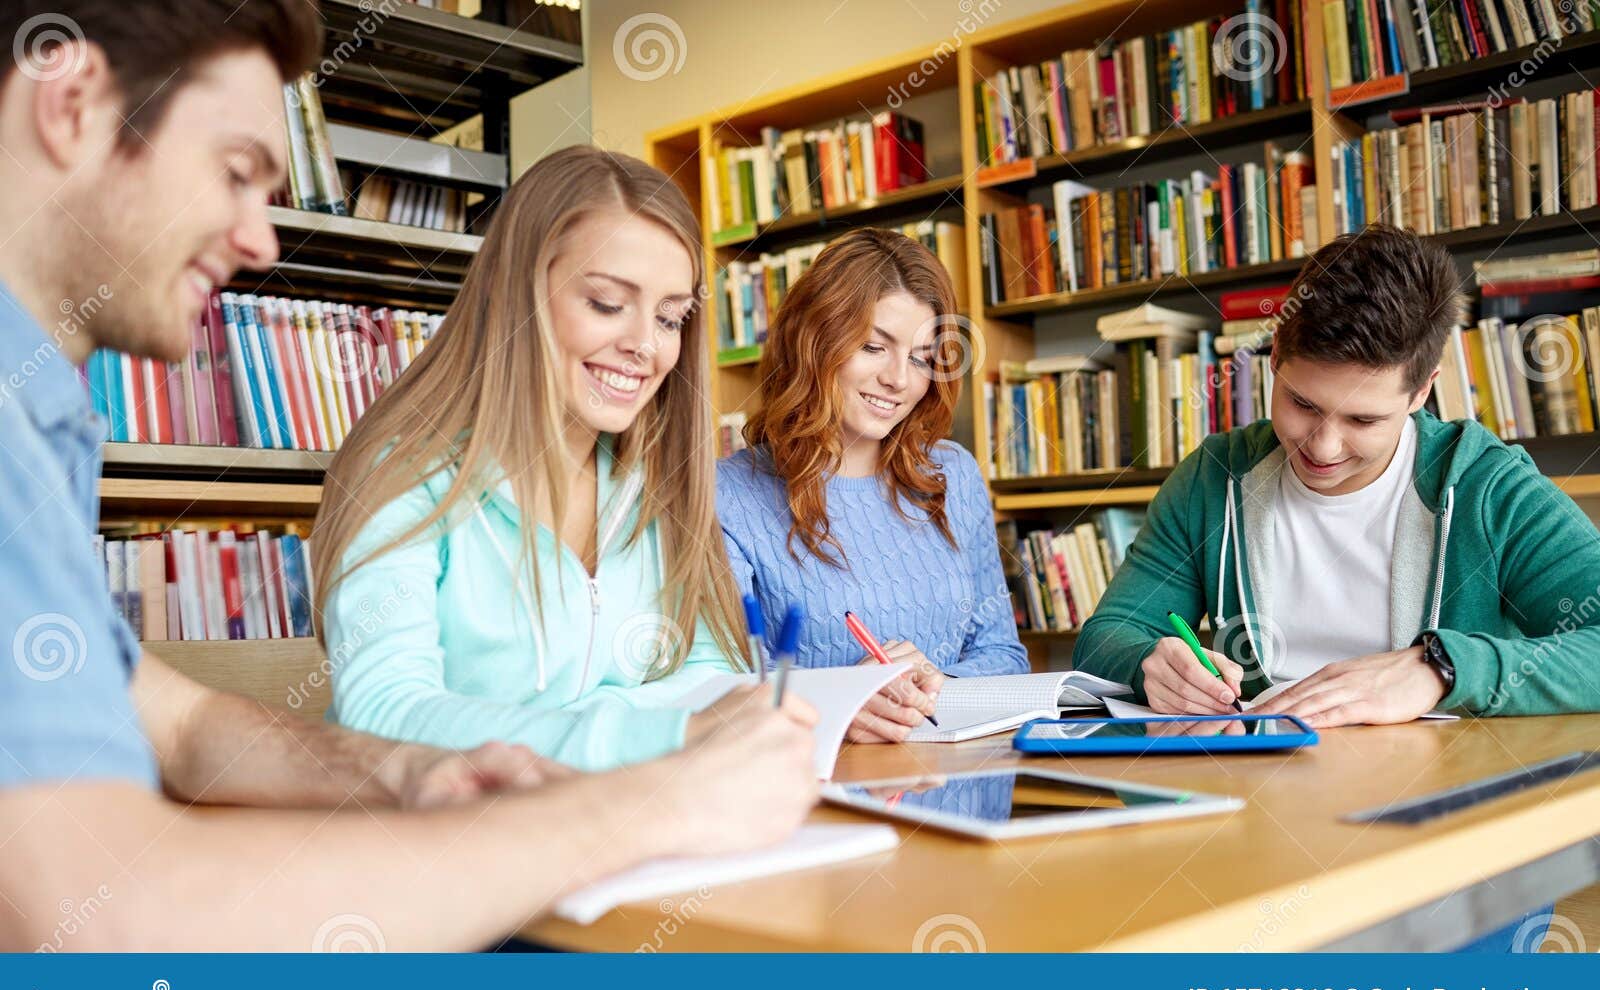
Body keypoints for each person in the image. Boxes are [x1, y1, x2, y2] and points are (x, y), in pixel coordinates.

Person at [0, 0, 816, 952]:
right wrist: (646, 797)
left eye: (671, 315)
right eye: (234, 172)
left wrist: (400, 769)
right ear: (70, 105)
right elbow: (95, 923)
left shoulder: (41, 417)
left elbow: (178, 727)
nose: (264, 241)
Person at [312, 145, 803, 772]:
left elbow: (709, 673)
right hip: (436, 843)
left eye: (671, 317)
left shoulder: (655, 480)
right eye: (605, 304)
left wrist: (627, 731)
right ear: (517, 293)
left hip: (613, 829)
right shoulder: (404, 475)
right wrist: (641, 734)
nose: (644, 347)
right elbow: (386, 712)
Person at [1073, 223, 1600, 725]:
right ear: (1275, 356)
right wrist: (1148, 665)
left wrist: (1441, 669)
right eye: (1302, 403)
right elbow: (1106, 637)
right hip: (1258, 792)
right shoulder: (1214, 478)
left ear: (1422, 392)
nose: (1322, 445)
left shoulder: (1488, 487)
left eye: (1363, 419)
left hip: (1436, 798)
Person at [718, 228, 1031, 744]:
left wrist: (937, 683)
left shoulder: (953, 475)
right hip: (818, 793)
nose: (898, 380)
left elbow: (1003, 654)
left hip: (958, 783)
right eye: (872, 346)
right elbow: (721, 689)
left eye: (921, 357)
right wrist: (843, 700)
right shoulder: (727, 494)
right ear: (812, 341)